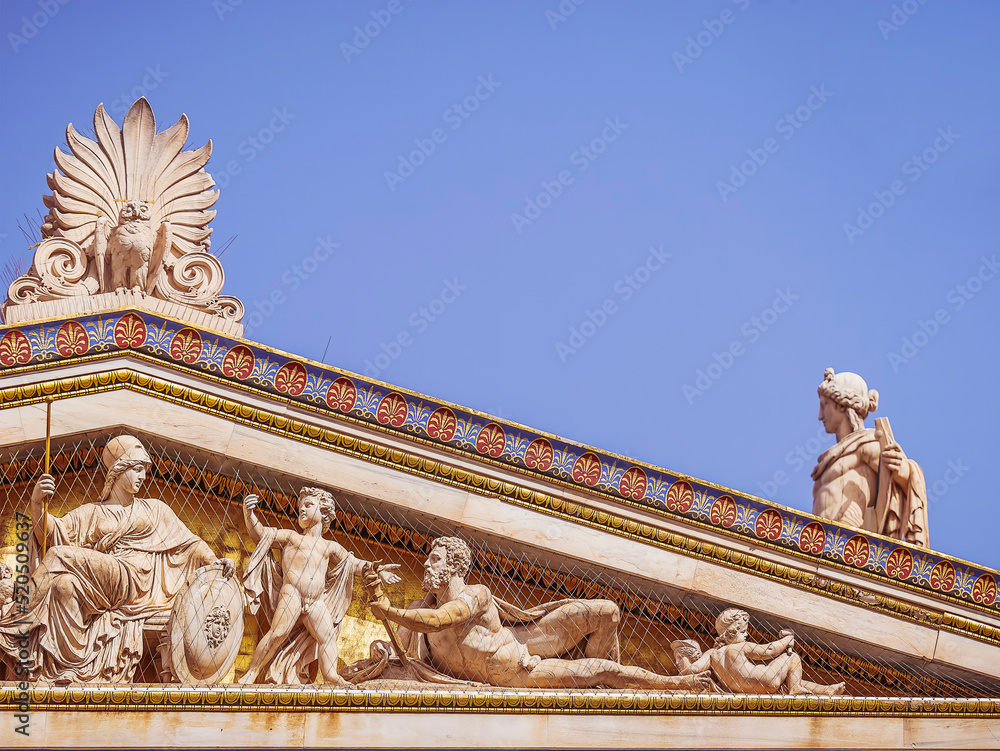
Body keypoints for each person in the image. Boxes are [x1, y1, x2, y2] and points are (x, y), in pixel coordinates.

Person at [0, 436, 233, 684]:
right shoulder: (91, 512)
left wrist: (213, 560)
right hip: (100, 587)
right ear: (118, 470)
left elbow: (191, 544)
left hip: (135, 580)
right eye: (137, 469)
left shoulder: (155, 509)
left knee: (58, 555)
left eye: (144, 469)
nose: (143, 476)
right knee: (63, 585)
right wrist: (37, 503)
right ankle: (70, 668)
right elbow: (51, 533)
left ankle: (15, 620)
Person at [368, 536, 710, 691]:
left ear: (456, 565)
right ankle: (669, 683)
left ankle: (615, 692)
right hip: (520, 674)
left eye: (435, 559)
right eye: (428, 559)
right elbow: (402, 660)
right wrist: (380, 647)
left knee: (607, 612)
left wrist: (388, 610)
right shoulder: (416, 611)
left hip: (525, 640)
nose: (426, 565)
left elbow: (442, 620)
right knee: (601, 670)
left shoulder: (476, 594)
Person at [239, 488, 400, 685]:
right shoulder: (292, 537)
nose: (302, 509)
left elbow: (355, 564)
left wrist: (378, 569)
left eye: (308, 505)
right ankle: (251, 673)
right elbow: (261, 535)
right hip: (292, 594)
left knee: (327, 637)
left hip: (316, 601)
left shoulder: (329, 546)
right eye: (300, 506)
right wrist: (249, 514)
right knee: (278, 633)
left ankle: (330, 675)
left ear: (324, 512)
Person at [812, 368, 928, 546]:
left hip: (847, 543)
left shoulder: (866, 445)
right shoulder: (835, 456)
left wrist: (902, 468)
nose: (820, 416)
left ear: (841, 405)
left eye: (824, 405)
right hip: (820, 542)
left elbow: (903, 476)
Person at [677, 609, 844, 695]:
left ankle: (826, 690)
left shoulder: (712, 654)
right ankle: (795, 690)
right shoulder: (741, 646)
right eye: (744, 631)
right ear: (733, 632)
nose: (746, 635)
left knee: (790, 678)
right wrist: (787, 640)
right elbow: (769, 650)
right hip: (764, 679)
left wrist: (682, 669)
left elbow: (693, 669)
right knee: (792, 658)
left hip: (742, 689)